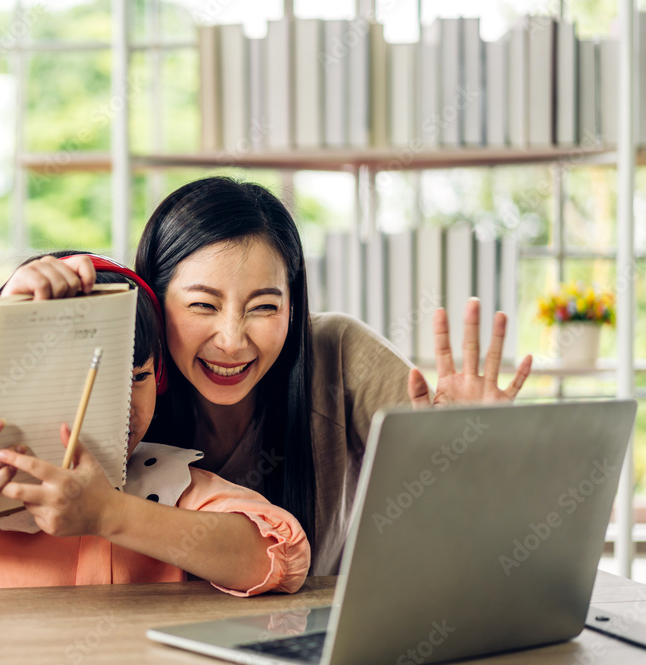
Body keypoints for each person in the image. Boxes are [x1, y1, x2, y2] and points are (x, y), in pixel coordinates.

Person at [0, 253, 310, 595]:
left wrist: (108, 514)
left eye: (138, 376)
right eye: (82, 377)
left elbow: (281, 556)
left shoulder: (169, 484)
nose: (121, 402)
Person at [130, 176, 533, 575]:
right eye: (203, 305)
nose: (232, 342)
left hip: (307, 627)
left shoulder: (337, 351)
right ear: (154, 299)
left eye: (264, 307)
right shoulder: (126, 375)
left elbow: (458, 512)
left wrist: (476, 446)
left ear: (293, 303)